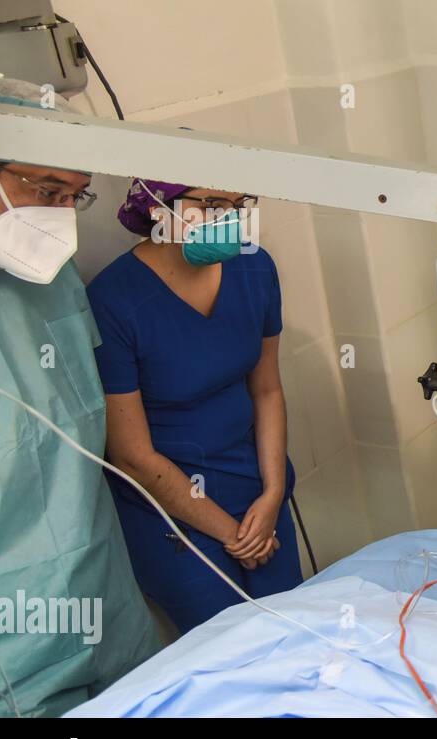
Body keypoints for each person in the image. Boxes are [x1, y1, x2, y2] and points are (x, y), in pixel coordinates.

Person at [0, 79, 160, 717]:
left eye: (74, 195)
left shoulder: (53, 278)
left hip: (103, 592)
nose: (61, 213)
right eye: (46, 190)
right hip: (16, 643)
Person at [86, 179, 301, 634]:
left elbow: (267, 390)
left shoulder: (254, 268)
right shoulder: (113, 300)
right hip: (170, 510)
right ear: (158, 206)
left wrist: (272, 492)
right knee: (231, 654)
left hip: (256, 488)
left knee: (294, 631)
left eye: (239, 205)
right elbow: (132, 456)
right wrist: (231, 534)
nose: (230, 219)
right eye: (212, 204)